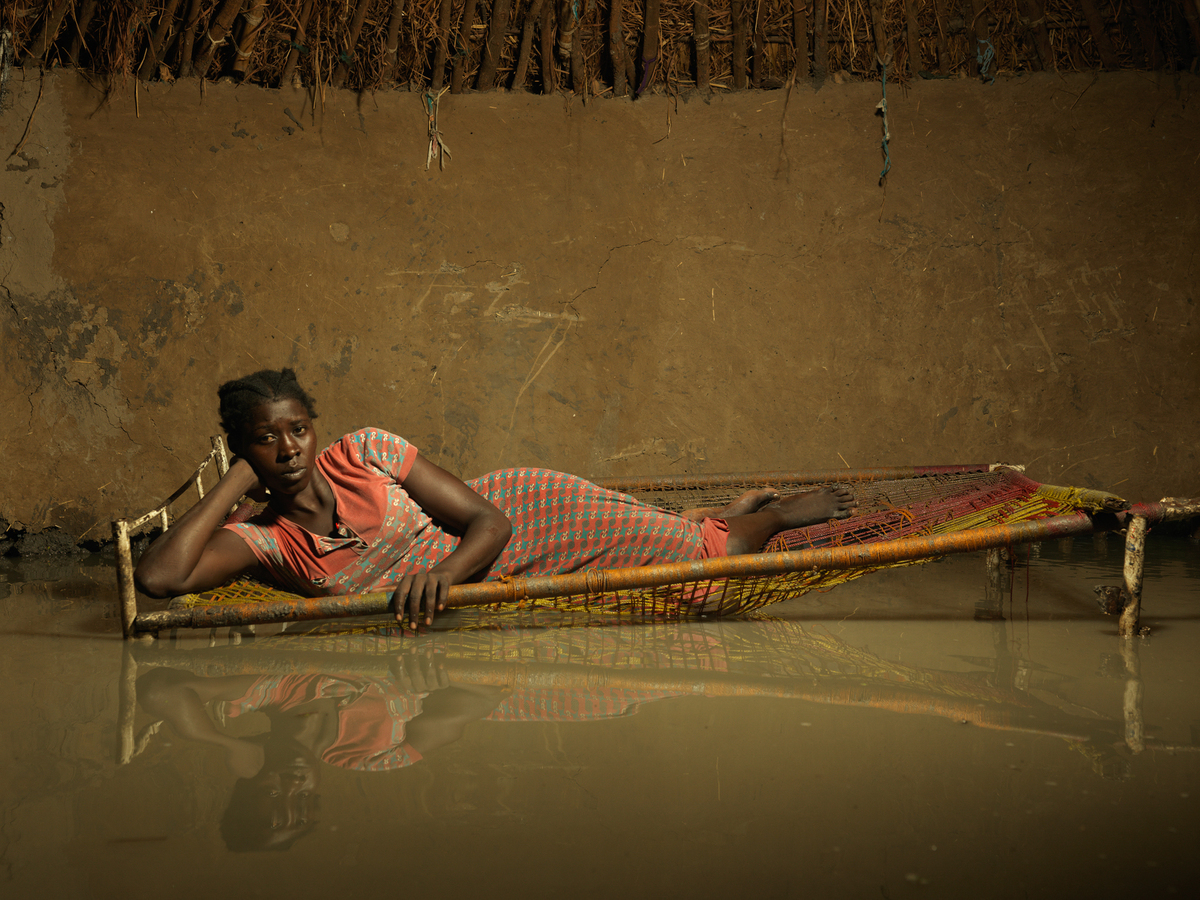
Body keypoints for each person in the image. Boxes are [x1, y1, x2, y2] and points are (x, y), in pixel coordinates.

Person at [134, 368, 856, 629]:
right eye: (266, 440)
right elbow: (158, 580)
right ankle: (725, 517)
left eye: (298, 429)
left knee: (714, 565)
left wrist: (441, 577)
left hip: (517, 525)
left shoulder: (366, 452)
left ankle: (767, 518)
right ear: (243, 447)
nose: (289, 449)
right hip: (496, 584)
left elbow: (490, 518)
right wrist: (234, 481)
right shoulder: (264, 541)